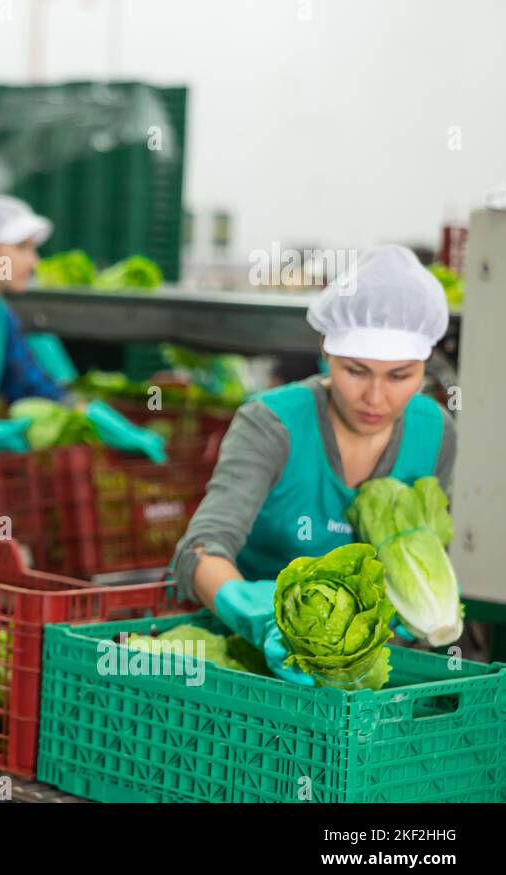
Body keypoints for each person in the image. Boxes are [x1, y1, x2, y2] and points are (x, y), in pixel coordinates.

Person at [172, 245, 455, 682]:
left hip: (368, 669)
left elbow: (431, 549)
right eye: (356, 371)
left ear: (424, 367)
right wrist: (257, 616)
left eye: (401, 376)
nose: (375, 399)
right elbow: (199, 551)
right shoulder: (272, 423)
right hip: (248, 658)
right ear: (325, 349)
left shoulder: (435, 431)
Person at [0, 195, 165, 461]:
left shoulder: (0, 317)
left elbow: (32, 385)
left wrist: (88, 415)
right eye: (22, 247)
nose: (34, 262)